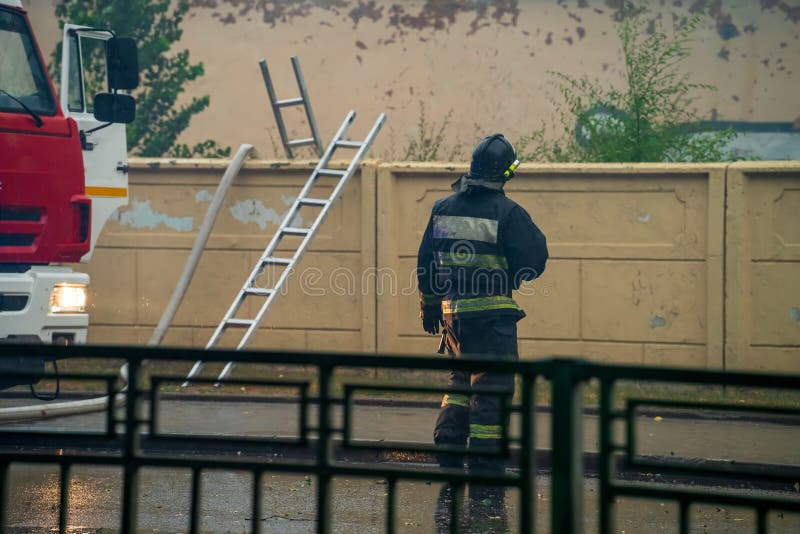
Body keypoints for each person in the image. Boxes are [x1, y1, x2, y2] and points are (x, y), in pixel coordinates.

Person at [417, 133, 548, 527]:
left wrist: (429, 305)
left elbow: (426, 261)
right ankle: (486, 470)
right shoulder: (508, 212)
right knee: (490, 390)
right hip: (493, 320)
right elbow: (535, 257)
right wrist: (516, 272)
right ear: (506, 173)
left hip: (453, 317)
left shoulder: (443, 208)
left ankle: (449, 455)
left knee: (459, 383)